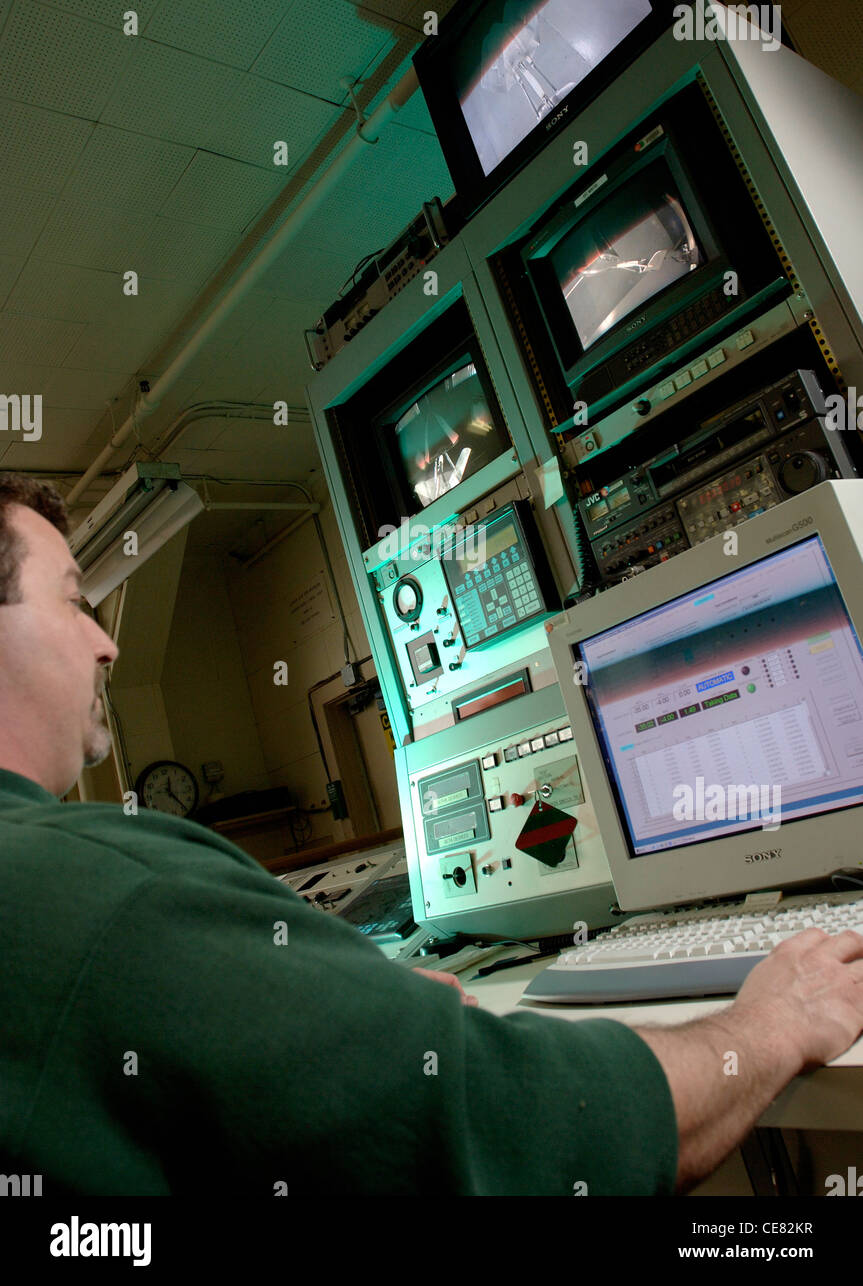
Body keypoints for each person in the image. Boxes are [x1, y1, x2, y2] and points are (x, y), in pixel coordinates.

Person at [1, 472, 862, 1196]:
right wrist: (771, 1024)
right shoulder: (108, 889)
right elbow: (525, 1129)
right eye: (76, 601)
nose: (106, 645)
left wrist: (379, 1029)